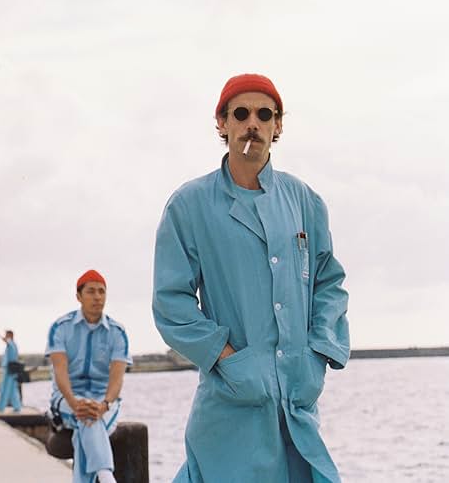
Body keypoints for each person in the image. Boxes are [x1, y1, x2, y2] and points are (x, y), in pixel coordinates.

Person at [152, 73, 350, 482]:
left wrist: (317, 354)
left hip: (296, 400)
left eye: (265, 114)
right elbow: (171, 302)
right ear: (222, 123)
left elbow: (329, 282)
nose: (253, 123)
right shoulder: (189, 206)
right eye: (241, 113)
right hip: (231, 402)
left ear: (278, 126)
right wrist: (227, 358)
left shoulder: (305, 202)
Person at [46, 269, 132, 483]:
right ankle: (106, 476)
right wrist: (75, 403)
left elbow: (117, 378)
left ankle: (104, 477)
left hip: (105, 400)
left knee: (89, 420)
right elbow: (60, 372)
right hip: (66, 399)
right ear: (78, 296)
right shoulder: (60, 327)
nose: (97, 297)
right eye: (91, 291)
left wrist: (105, 403)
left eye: (102, 292)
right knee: (88, 417)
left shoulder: (117, 332)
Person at [0, 329, 22, 412]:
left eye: (6, 334)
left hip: (9, 370)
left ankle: (1, 408)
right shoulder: (14, 345)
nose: (5, 336)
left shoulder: (10, 343)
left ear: (10, 335)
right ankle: (17, 407)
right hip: (13, 370)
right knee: (13, 389)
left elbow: (6, 340)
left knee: (4, 388)